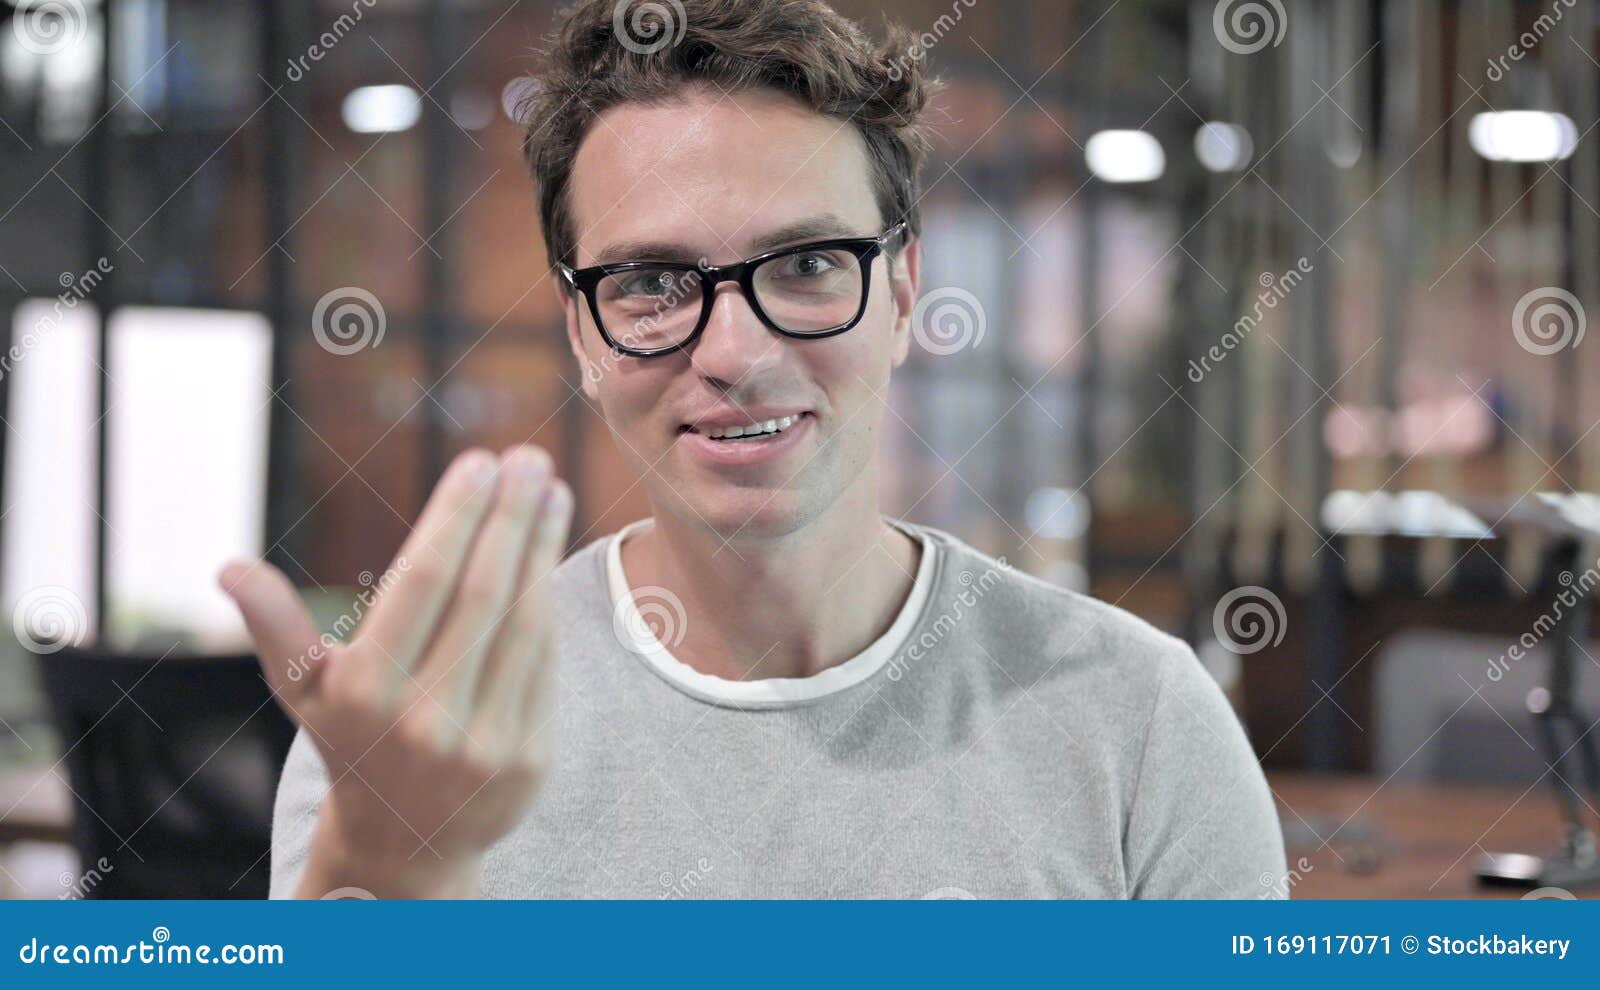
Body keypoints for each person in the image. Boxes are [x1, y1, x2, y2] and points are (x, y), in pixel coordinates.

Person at [222, 0, 1286, 899]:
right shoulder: (416, 733)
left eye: (808, 265)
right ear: (583, 331)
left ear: (902, 292)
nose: (733, 351)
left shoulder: (1135, 721)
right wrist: (377, 869)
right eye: (648, 284)